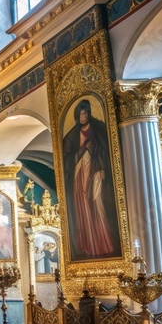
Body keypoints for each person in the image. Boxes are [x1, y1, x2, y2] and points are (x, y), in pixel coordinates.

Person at [62, 99, 120, 259]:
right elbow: (67, 157)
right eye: (80, 114)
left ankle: (103, 242)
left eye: (85, 113)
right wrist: (82, 150)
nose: (82, 117)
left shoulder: (99, 129)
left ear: (89, 113)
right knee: (82, 204)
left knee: (97, 202)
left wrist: (101, 168)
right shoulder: (73, 135)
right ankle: (87, 244)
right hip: (79, 174)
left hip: (94, 172)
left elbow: (104, 151)